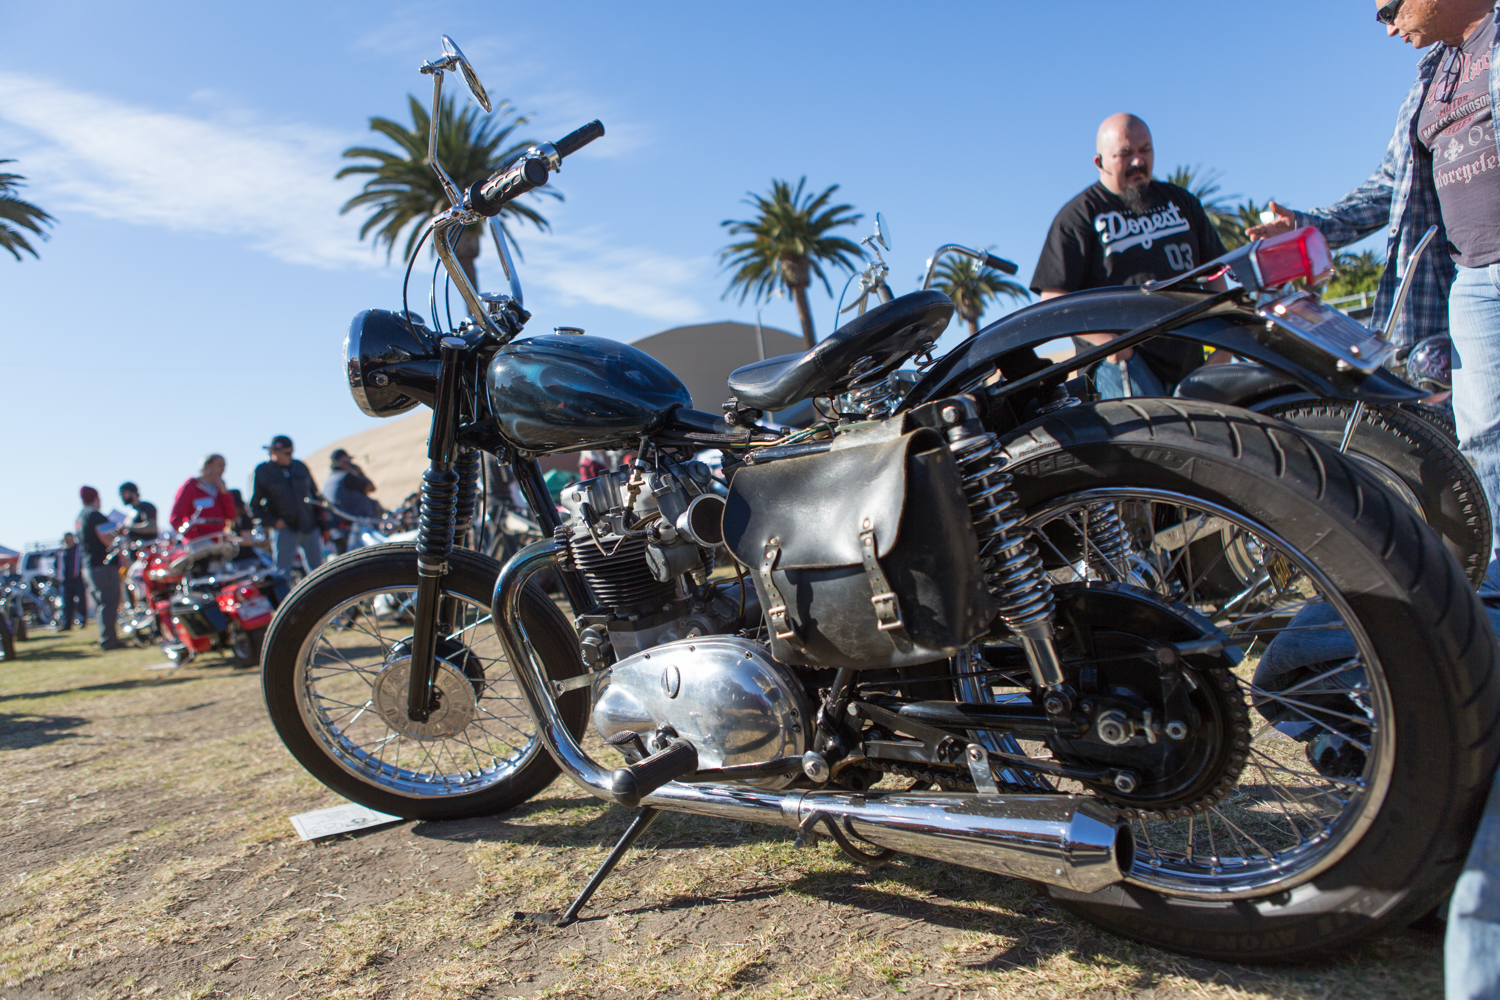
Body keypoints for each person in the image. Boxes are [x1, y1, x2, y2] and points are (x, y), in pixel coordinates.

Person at [1243, 5, 1500, 996]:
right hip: (1464, 293)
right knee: (1476, 473)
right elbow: (1389, 194)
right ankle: (1406, 797)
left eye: (1391, 1)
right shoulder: (1435, 78)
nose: (1383, 17)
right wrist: (1302, 230)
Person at [1031, 113, 1229, 398]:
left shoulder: (1181, 201)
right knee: (1153, 443)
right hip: (1123, 367)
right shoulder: (1077, 217)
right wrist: (1110, 344)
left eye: (1145, 150)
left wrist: (1223, 348)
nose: (1138, 161)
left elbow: (1215, 273)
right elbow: (1052, 300)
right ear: (1099, 162)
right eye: (1125, 154)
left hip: (1189, 359)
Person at [250, 435, 325, 573]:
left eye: (291, 452)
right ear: (273, 452)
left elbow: (315, 495)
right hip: (285, 529)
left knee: (318, 569)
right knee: (282, 571)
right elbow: (254, 505)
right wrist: (273, 522)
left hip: (309, 526)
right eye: (286, 453)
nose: (289, 456)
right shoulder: (263, 471)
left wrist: (322, 522)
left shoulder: (300, 467)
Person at [75, 486, 124, 650]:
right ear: (96, 498)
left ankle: (107, 637)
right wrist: (121, 550)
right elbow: (105, 537)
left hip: (89, 566)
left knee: (101, 604)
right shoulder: (94, 515)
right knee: (109, 602)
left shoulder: (80, 516)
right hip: (102, 566)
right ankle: (109, 641)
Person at [322, 448, 379, 554]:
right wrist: (359, 472)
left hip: (338, 529)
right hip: (354, 530)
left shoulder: (329, 480)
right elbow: (371, 487)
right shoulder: (347, 477)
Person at [169, 454, 238, 540]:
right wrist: (194, 536)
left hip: (219, 541)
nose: (223, 469)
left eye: (224, 466)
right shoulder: (190, 487)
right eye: (219, 465)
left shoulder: (220, 489)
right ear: (207, 465)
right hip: (198, 545)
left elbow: (231, 516)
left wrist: (225, 493)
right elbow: (176, 519)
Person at [56, 531, 86, 630]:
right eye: (66, 539)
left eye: (70, 538)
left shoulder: (79, 549)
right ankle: (67, 624)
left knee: (81, 601)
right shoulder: (61, 551)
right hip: (65, 581)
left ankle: (82, 621)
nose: (68, 541)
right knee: (66, 603)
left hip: (77, 578)